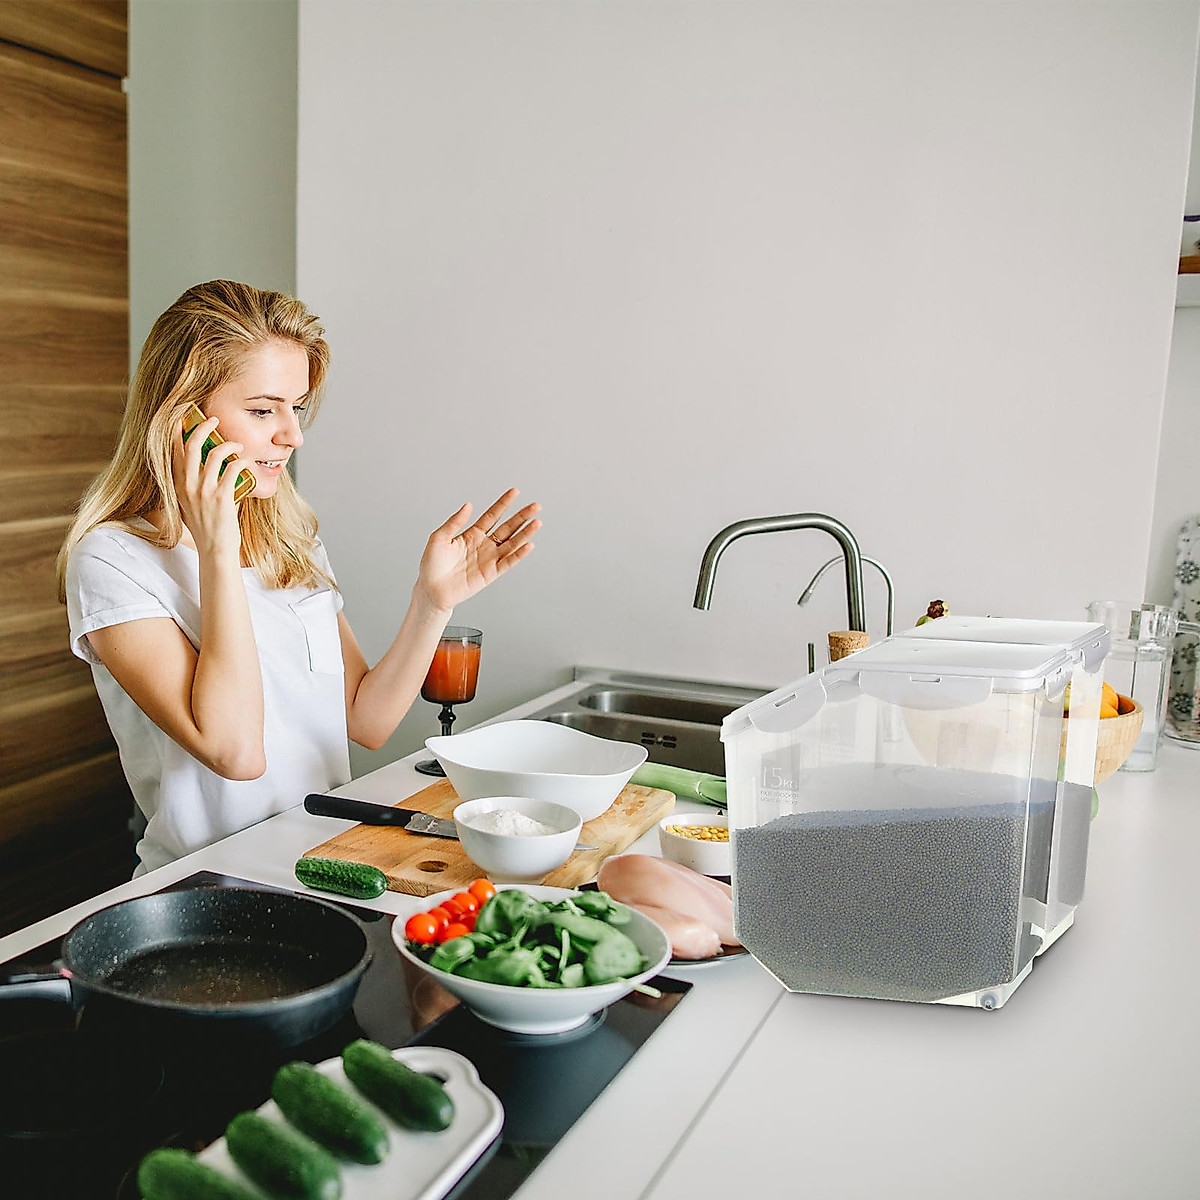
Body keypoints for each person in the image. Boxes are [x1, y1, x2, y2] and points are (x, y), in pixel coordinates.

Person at [56, 279, 540, 877]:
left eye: (297, 407)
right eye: (263, 410)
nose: (293, 435)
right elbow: (236, 752)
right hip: (208, 888)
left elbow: (366, 721)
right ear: (183, 419)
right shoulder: (112, 560)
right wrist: (217, 550)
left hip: (323, 866)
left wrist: (432, 601)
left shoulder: (289, 538)